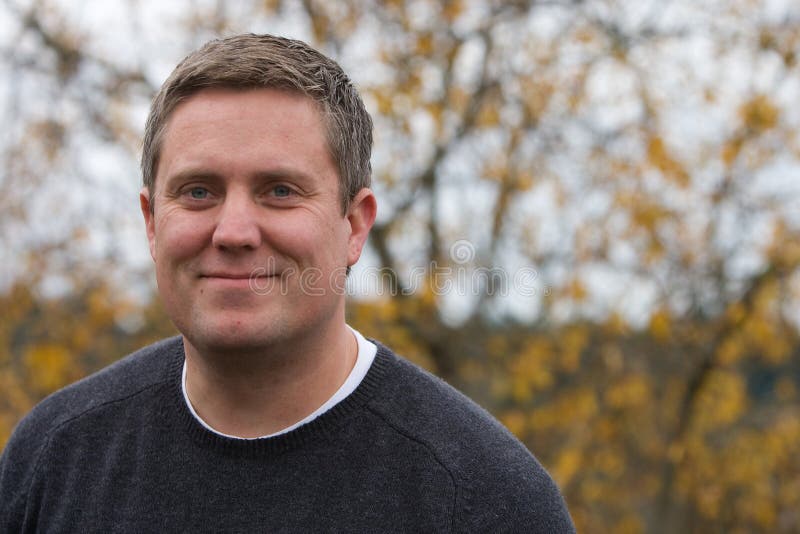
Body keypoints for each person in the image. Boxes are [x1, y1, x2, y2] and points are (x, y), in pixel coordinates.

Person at [0, 34, 574, 532]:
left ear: (354, 226)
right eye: (199, 191)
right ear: (152, 223)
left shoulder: (486, 501)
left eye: (279, 191)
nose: (234, 231)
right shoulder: (54, 457)